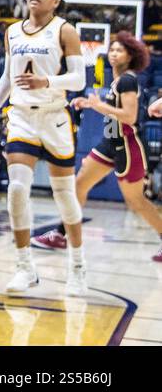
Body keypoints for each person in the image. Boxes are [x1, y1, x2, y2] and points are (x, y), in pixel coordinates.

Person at [0, 0, 88, 297]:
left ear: (55, 1)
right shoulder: (12, 31)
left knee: (65, 197)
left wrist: (46, 81)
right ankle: (24, 267)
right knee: (16, 190)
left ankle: (78, 267)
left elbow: (79, 80)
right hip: (21, 116)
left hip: (55, 117)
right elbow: (7, 76)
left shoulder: (64, 30)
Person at [33, 32, 162, 263]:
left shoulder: (128, 80)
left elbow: (130, 117)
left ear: (130, 55)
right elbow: (112, 112)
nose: (113, 53)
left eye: (119, 50)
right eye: (111, 49)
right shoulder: (116, 81)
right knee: (78, 186)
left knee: (136, 202)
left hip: (126, 146)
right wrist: (90, 105)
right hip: (109, 144)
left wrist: (98, 105)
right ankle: (61, 235)